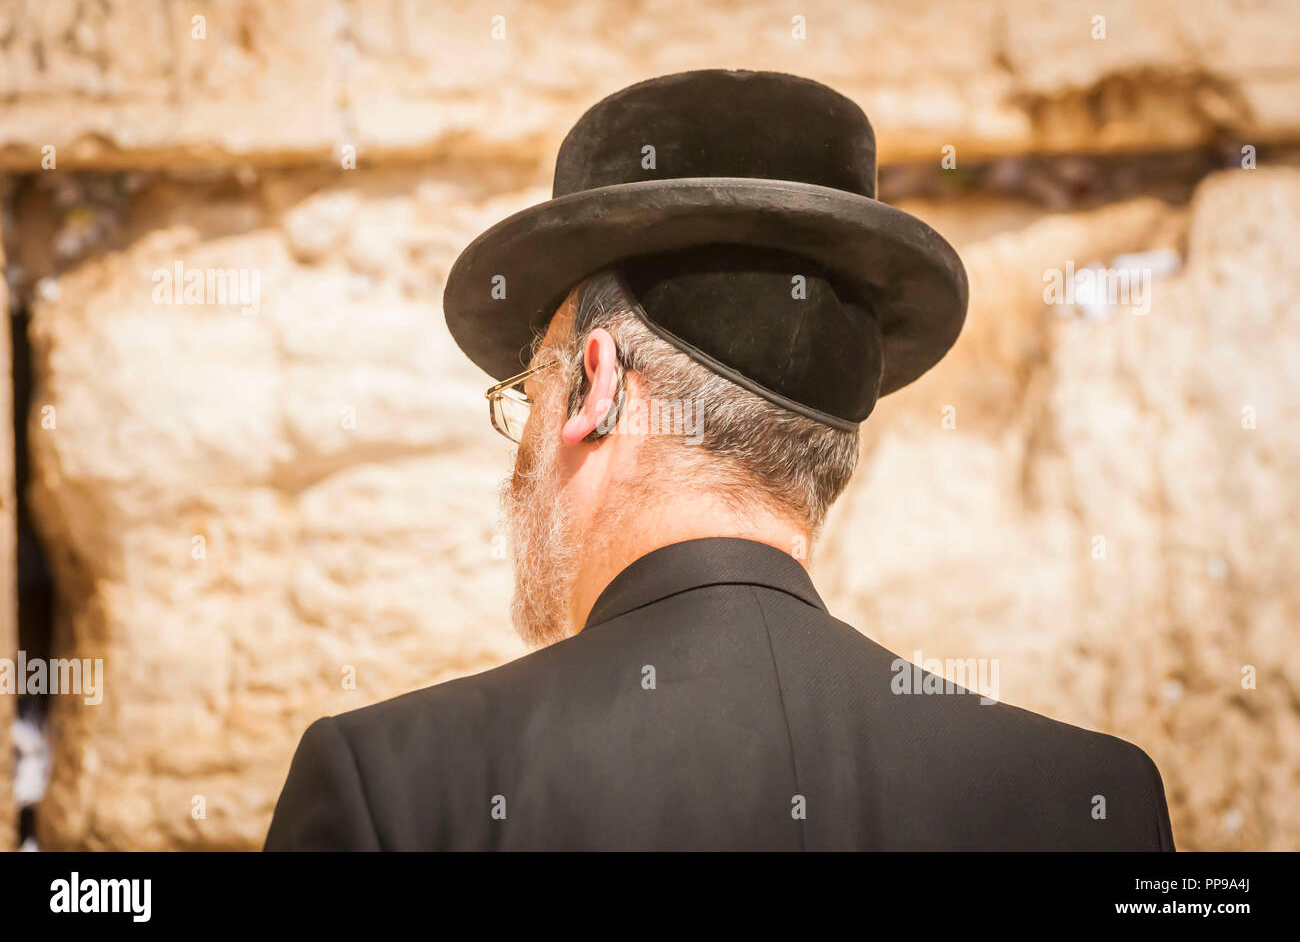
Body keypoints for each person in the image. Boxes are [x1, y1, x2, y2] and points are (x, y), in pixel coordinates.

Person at [265, 69, 1174, 851]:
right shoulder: (1089, 803)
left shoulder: (395, 789)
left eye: (528, 395)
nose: (519, 463)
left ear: (597, 385)